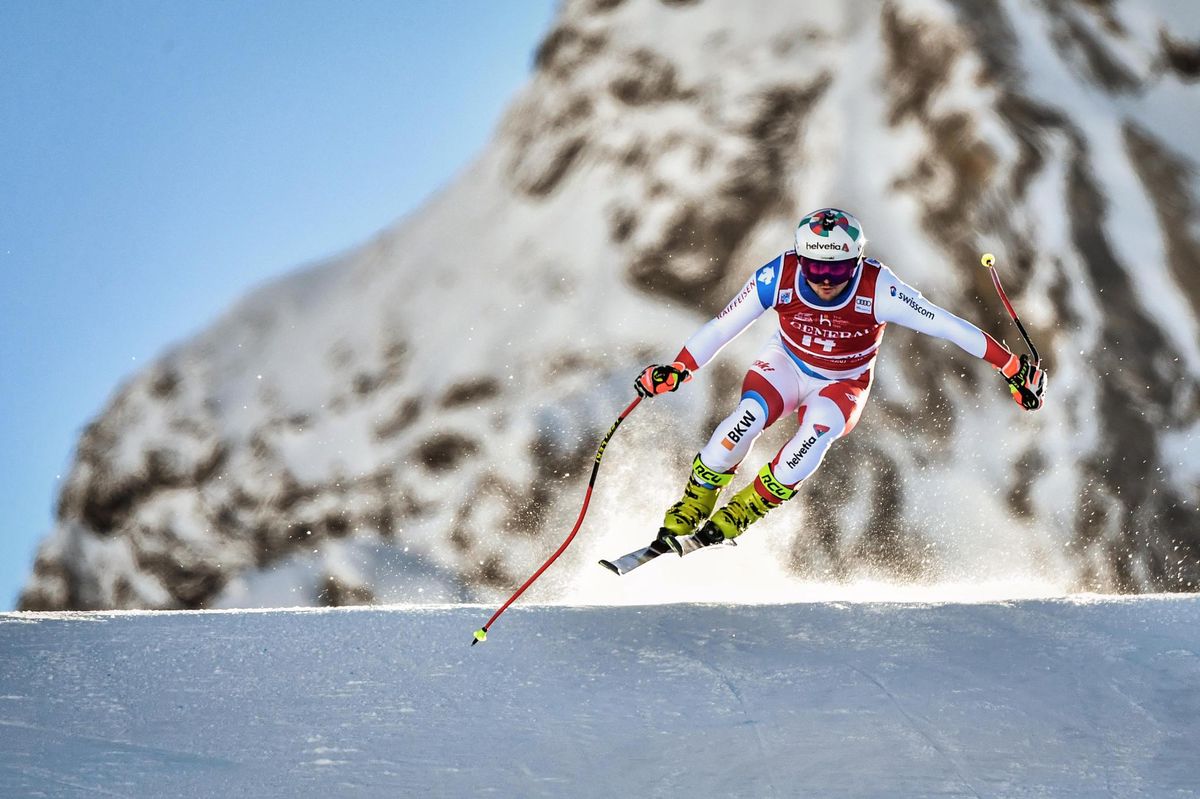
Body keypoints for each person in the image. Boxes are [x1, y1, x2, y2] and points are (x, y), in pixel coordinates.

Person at [634, 208, 1046, 554]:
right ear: (800, 259)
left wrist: (1009, 365)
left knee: (818, 431)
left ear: (857, 262)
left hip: (843, 382)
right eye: (815, 267)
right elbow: (724, 327)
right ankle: (692, 505)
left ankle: (745, 509)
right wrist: (680, 367)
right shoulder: (777, 276)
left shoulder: (878, 286)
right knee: (745, 420)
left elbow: (945, 325)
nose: (826, 280)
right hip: (786, 366)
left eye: (839, 269)